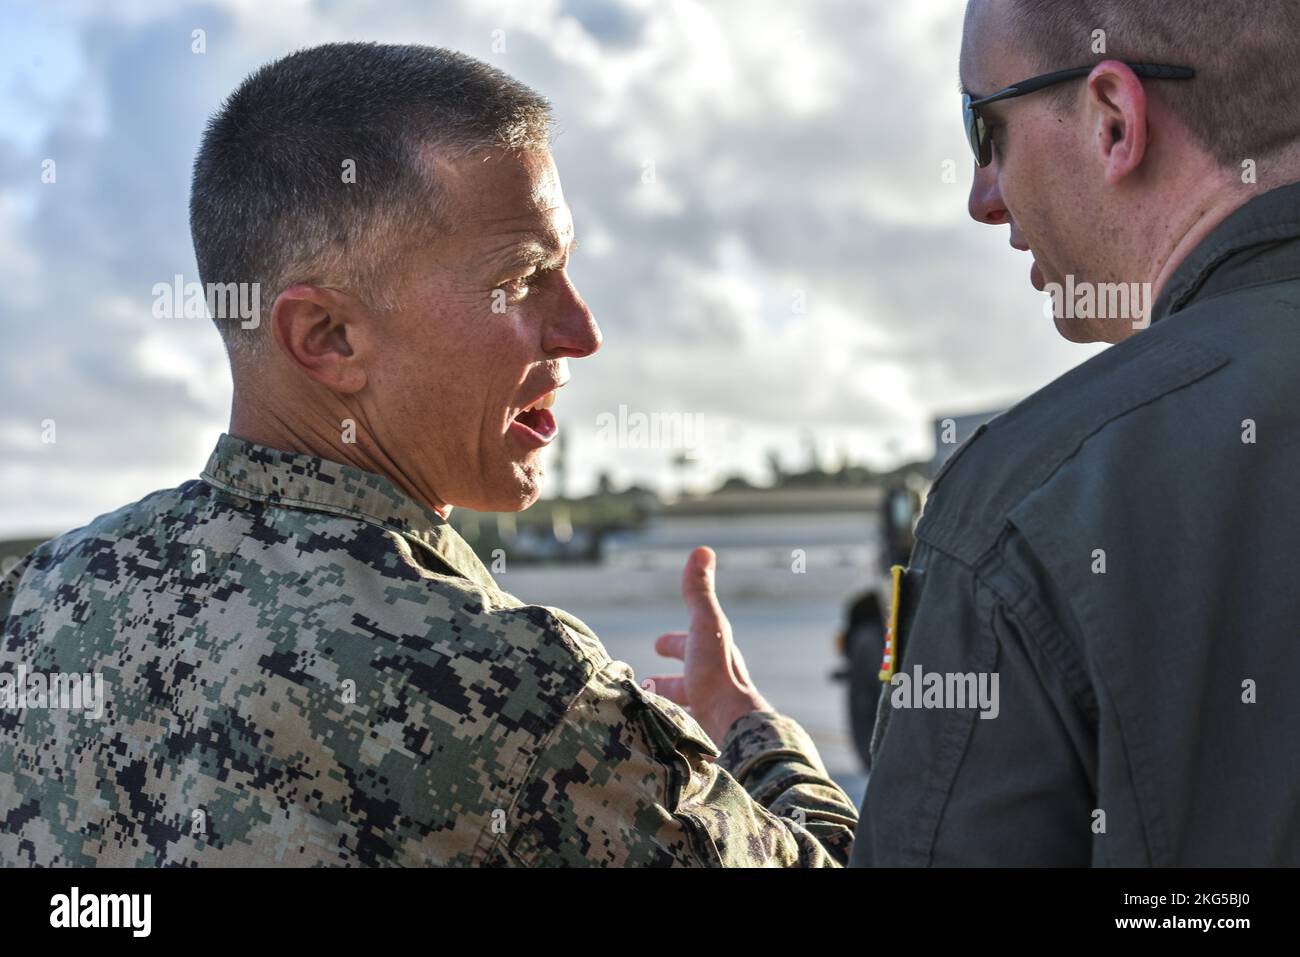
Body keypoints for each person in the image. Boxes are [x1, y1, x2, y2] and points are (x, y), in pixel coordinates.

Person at [0, 43, 856, 867]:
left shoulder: (37, 601)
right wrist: (749, 730)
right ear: (328, 336)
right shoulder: (517, 690)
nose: (582, 332)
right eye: (522, 280)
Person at [846, 0, 1300, 865]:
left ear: (1114, 120)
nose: (982, 197)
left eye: (986, 130)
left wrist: (762, 761)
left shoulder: (1027, 504)